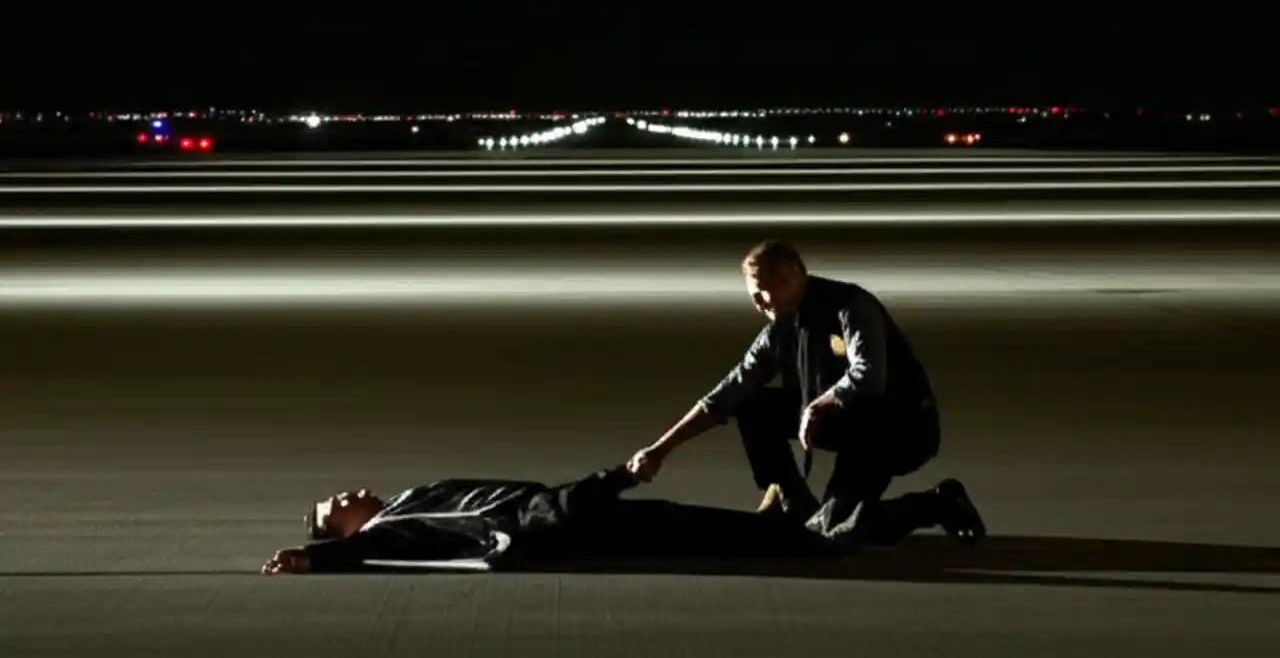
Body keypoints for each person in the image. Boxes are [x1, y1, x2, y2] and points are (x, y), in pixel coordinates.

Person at [627, 239, 986, 546]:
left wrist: (819, 403)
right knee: (751, 404)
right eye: (756, 294)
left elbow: (869, 376)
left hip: (897, 429)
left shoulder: (851, 307)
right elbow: (726, 394)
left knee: (832, 534)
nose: (764, 301)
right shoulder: (777, 332)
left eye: (773, 288)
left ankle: (938, 504)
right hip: (845, 425)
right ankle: (790, 499)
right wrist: (659, 450)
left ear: (798, 276)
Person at [262, 464, 848, 575]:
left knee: (669, 521)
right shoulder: (385, 529)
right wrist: (311, 557)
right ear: (342, 526)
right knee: (668, 526)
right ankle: (803, 541)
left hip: (544, 509)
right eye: (336, 504)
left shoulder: (409, 497)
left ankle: (778, 530)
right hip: (542, 523)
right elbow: (358, 554)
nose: (349, 492)